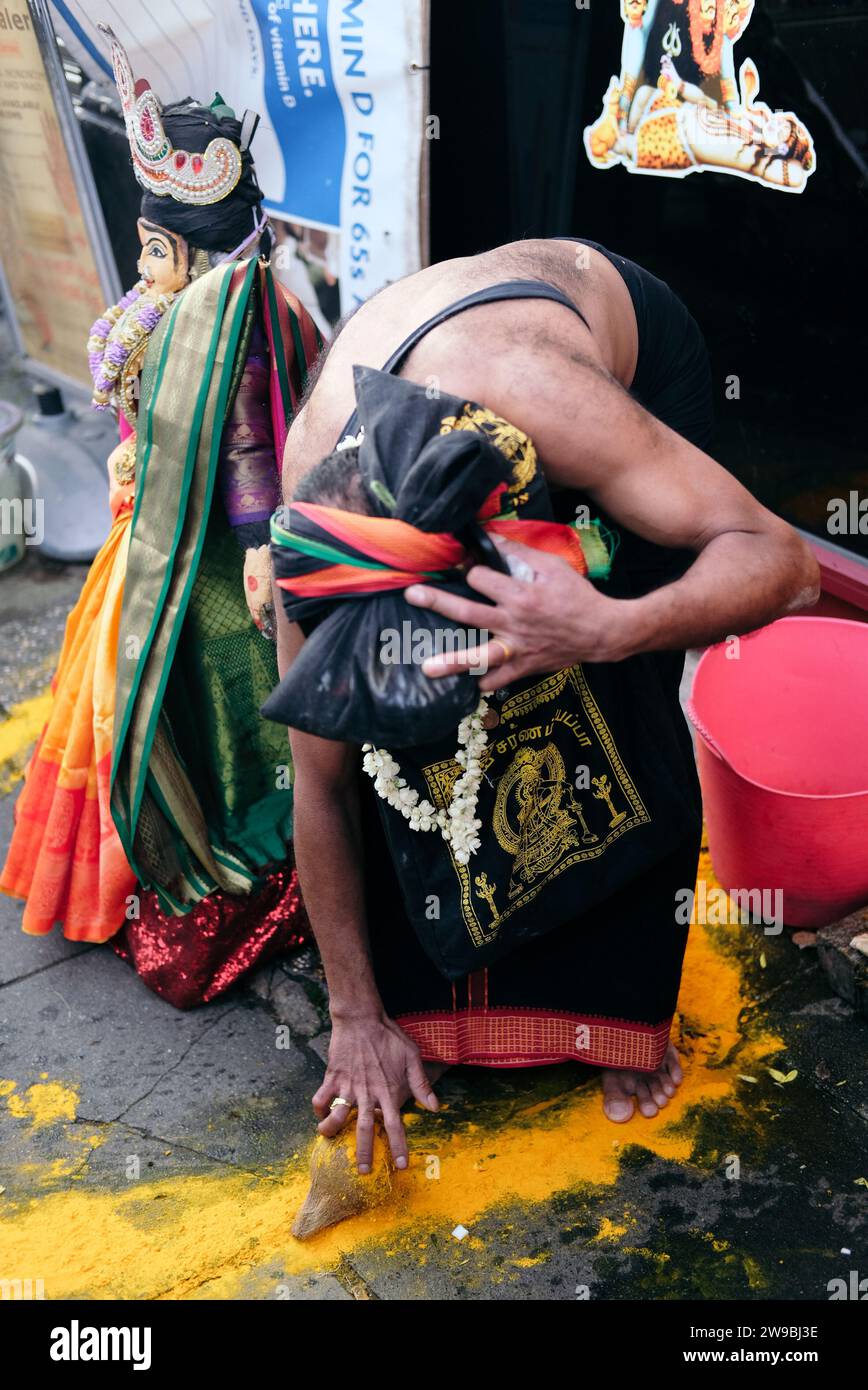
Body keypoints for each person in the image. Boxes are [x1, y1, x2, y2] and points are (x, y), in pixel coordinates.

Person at [272, 235, 819, 1174]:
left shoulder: (562, 411)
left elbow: (790, 564)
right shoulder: (317, 542)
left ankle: (622, 1011)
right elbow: (320, 789)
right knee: (398, 763)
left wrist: (613, 626)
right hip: (463, 375)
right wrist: (354, 1014)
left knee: (618, 693)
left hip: (618, 360)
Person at [0, 28, 321, 1007]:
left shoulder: (227, 324)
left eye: (155, 250)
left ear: (194, 249)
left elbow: (248, 448)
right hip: (152, 536)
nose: (143, 269)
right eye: (143, 247)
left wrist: (264, 546)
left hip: (212, 561)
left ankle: (254, 835)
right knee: (126, 698)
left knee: (204, 706)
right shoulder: (173, 312)